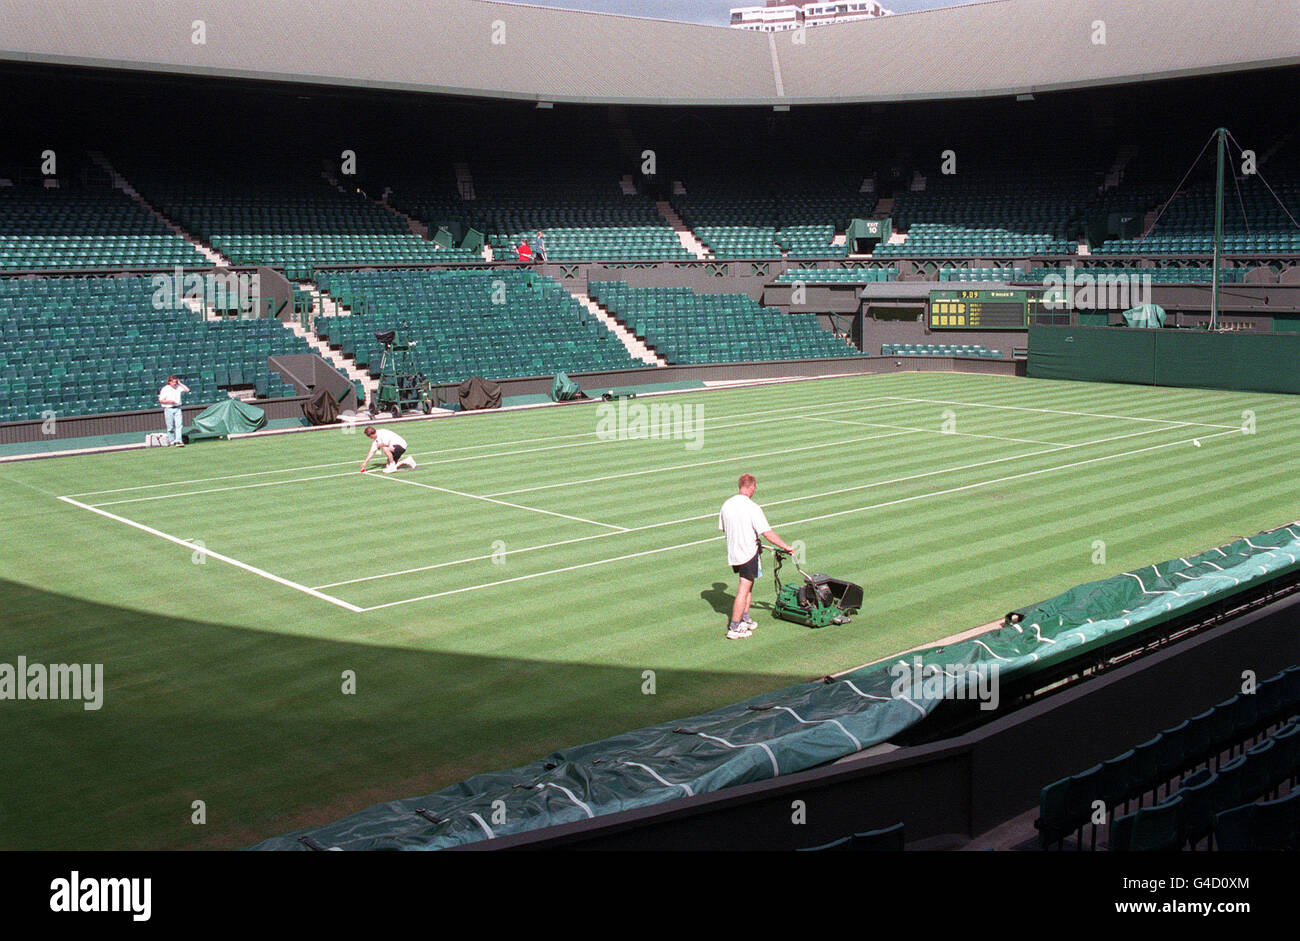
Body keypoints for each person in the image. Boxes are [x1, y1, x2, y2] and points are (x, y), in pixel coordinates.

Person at [718, 473, 796, 640]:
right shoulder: (753, 507)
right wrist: (786, 547)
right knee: (743, 589)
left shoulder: (726, 505)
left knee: (749, 585)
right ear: (752, 487)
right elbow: (767, 532)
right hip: (748, 553)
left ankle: (745, 618)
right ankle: (734, 626)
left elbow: (725, 528)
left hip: (735, 552)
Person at [157, 375, 189, 447]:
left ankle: (178, 440)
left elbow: (187, 390)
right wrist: (169, 401)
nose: (175, 383)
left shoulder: (178, 387)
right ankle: (172, 441)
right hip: (169, 408)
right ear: (169, 382)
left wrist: (180, 383)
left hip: (177, 408)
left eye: (176, 382)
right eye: (173, 382)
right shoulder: (165, 389)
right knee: (170, 427)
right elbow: (161, 400)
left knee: (179, 425)